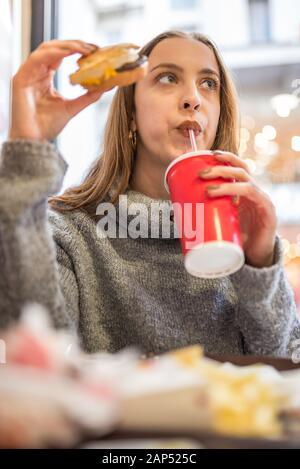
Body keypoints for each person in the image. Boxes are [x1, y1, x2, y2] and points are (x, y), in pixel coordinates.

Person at [0, 30, 299, 357]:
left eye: (208, 83)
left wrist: (259, 268)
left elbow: (284, 367)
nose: (193, 99)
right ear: (131, 116)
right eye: (168, 78)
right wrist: (27, 149)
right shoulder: (71, 234)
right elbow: (34, 342)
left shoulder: (238, 232)